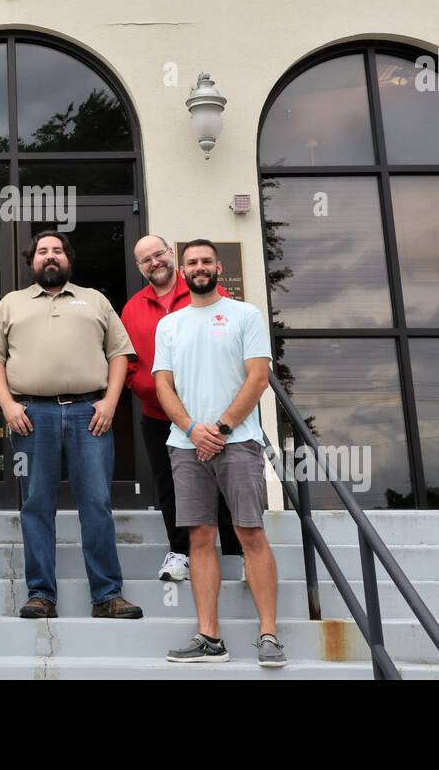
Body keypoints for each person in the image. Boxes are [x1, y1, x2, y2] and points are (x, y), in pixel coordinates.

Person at [0, 230, 143, 620]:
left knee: (97, 504)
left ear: (68, 258)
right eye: (42, 251)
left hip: (91, 414)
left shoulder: (95, 300)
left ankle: (107, 595)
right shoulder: (11, 304)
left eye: (57, 251)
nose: (49, 257)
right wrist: (6, 405)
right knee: (36, 504)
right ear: (31, 261)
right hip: (33, 417)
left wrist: (110, 401)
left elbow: (120, 353)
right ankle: (41, 595)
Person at [153, 239, 285, 667]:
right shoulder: (170, 324)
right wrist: (193, 429)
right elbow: (162, 386)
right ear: (182, 270)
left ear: (218, 267)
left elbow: (258, 377)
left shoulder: (245, 315)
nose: (199, 267)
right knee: (200, 537)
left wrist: (223, 427)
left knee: (250, 533)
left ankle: (269, 634)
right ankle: (209, 637)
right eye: (191, 262)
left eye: (206, 261)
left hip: (239, 442)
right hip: (186, 445)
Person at [121, 234, 243, 584]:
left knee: (224, 481)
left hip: (211, 414)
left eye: (158, 254)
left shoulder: (204, 293)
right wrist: (141, 385)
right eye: (146, 259)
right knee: (169, 485)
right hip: (160, 415)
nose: (154, 262)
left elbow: (231, 348)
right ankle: (180, 552)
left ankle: (236, 551)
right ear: (139, 267)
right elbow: (127, 361)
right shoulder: (132, 308)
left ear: (170, 255)